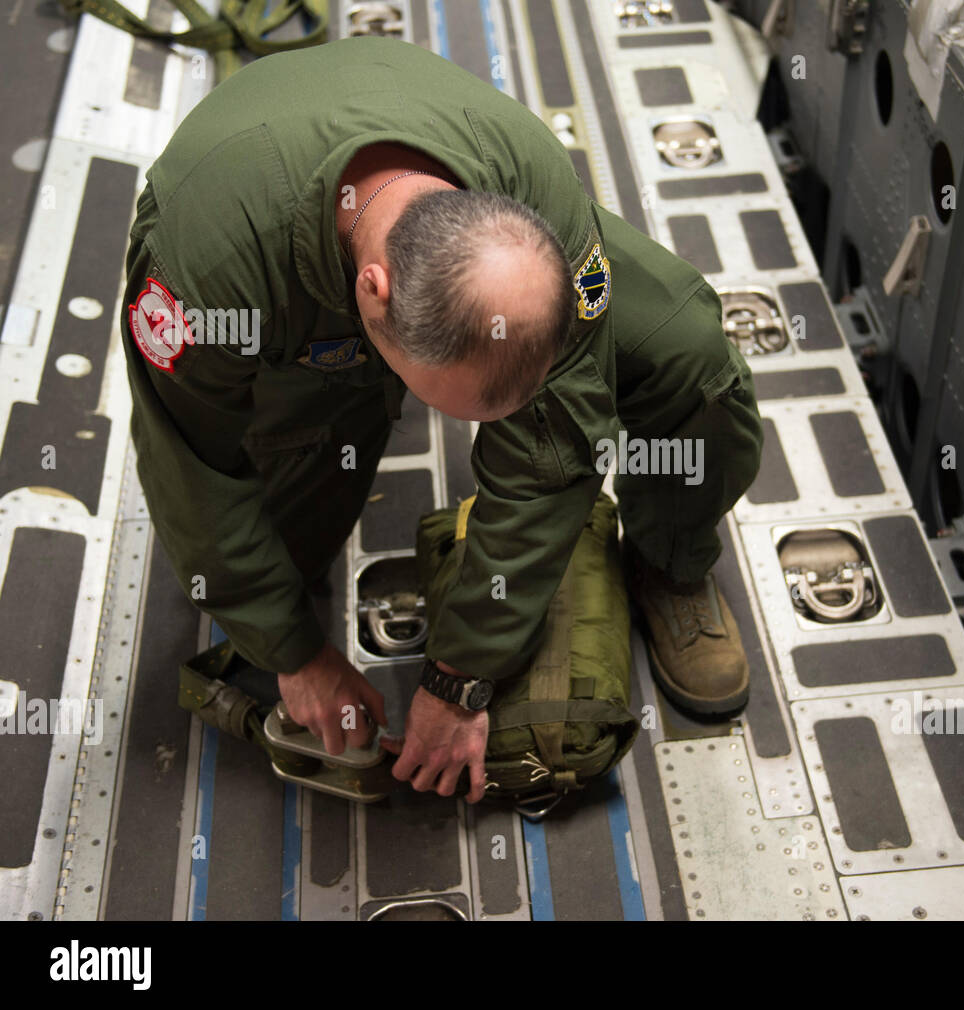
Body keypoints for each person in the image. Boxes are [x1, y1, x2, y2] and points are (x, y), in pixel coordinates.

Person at [120, 35, 763, 804]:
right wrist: (296, 655)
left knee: (692, 361)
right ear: (372, 297)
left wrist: (461, 678)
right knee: (272, 571)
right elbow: (190, 463)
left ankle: (670, 556)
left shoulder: (533, 197)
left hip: (417, 243)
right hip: (278, 284)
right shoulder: (205, 271)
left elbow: (553, 451)